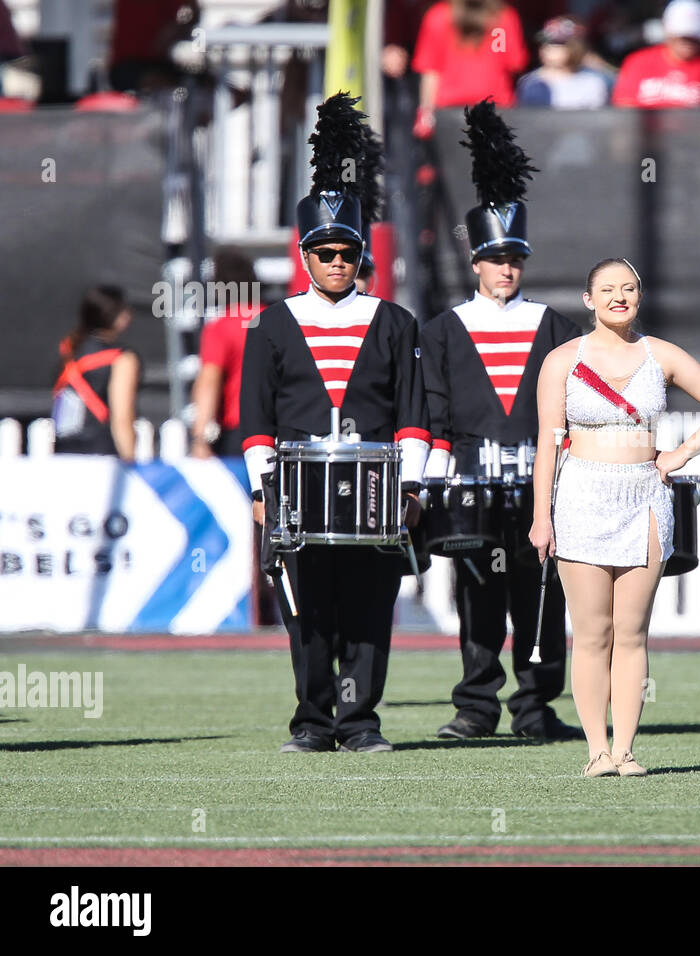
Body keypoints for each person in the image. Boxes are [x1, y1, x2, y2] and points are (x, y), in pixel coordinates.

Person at [241, 94, 431, 754]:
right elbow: (255, 416)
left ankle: (360, 721)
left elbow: (414, 412)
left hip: (377, 490)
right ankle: (313, 720)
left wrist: (412, 490)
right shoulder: (270, 323)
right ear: (304, 255)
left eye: (347, 252)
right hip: (295, 488)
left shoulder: (395, 321)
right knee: (307, 608)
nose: (336, 263)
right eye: (323, 252)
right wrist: (262, 493)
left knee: (370, 607)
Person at [530, 258, 700, 776]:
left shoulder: (661, 354)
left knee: (631, 633)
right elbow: (546, 446)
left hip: (644, 497)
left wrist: (682, 453)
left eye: (628, 289)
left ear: (639, 297)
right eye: (607, 290)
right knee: (592, 632)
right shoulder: (561, 360)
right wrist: (541, 518)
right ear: (588, 299)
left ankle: (625, 750)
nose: (618, 297)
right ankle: (596, 750)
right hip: (580, 497)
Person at [420, 101, 584, 742]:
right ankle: (476, 706)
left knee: (544, 595)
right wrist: (430, 485)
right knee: (478, 594)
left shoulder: (558, 327)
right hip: (472, 487)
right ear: (475, 262)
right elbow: (431, 414)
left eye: (515, 255)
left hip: (544, 488)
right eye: (494, 256)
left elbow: (578, 409)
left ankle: (538, 707)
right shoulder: (442, 330)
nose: (506, 267)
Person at [412, 0, 527, 139]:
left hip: (449, 113)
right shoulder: (503, 17)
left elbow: (430, 71)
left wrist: (426, 112)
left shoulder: (439, 16)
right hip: (494, 110)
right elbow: (515, 63)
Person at [52, 286, 140, 460]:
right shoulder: (122, 358)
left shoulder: (68, 352)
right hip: (102, 453)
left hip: (63, 452)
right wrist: (130, 460)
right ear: (119, 317)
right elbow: (121, 417)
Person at [190, 249, 259, 459]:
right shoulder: (278, 320)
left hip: (237, 432)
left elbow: (210, 381)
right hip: (277, 430)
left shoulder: (222, 326)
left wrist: (201, 438)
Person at [611, 0, 700, 109]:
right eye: (681, 36)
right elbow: (625, 110)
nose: (687, 42)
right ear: (667, 31)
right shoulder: (638, 62)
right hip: (648, 137)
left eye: (693, 37)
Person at [516, 16, 612, 108]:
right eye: (545, 43)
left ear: (575, 47)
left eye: (557, 44)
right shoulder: (531, 82)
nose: (548, 49)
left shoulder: (593, 82)